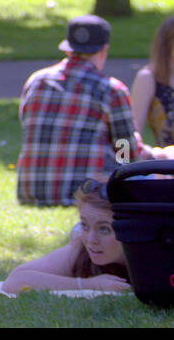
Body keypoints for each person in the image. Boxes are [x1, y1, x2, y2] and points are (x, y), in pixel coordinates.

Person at [16, 15, 154, 206]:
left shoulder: (35, 81)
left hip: (33, 193)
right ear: (104, 49)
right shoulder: (111, 89)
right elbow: (126, 153)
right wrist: (153, 156)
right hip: (90, 193)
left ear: (67, 48)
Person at [1, 178, 131, 294]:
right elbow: (15, 280)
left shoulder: (149, 251)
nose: (91, 240)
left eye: (104, 229)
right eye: (85, 225)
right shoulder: (81, 248)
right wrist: (88, 284)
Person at [130, 16, 174, 148]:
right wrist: (124, 166)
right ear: (167, 44)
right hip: (168, 164)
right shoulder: (148, 78)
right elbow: (129, 134)